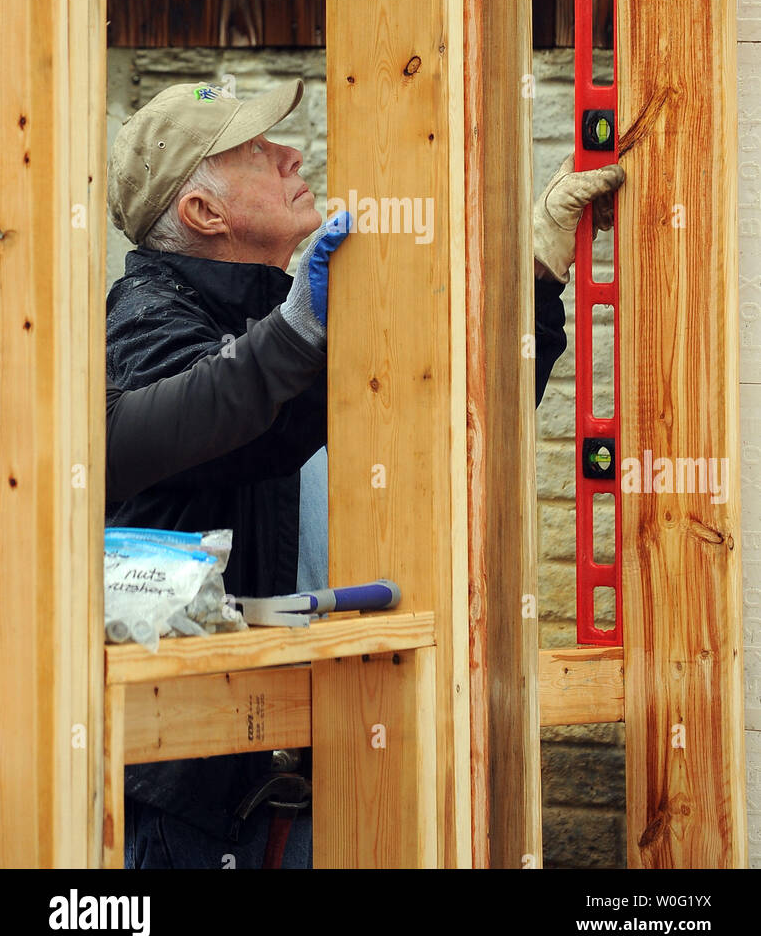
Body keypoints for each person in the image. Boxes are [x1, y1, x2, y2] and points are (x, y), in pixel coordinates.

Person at [105, 77, 623, 868]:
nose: (293, 153)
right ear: (203, 213)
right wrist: (294, 333)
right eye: (254, 150)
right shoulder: (144, 325)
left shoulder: (295, 315)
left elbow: (450, 428)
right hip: (201, 812)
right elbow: (232, 425)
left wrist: (537, 277)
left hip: (324, 774)